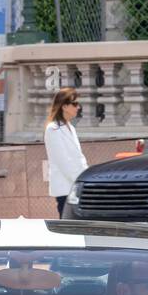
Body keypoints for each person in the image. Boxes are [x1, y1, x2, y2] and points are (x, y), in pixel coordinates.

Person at [43, 87, 87, 217]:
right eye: (74, 104)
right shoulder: (53, 129)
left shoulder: (71, 127)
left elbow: (79, 157)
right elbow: (63, 162)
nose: (77, 107)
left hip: (77, 186)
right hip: (65, 188)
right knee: (68, 226)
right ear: (64, 106)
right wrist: (80, 181)